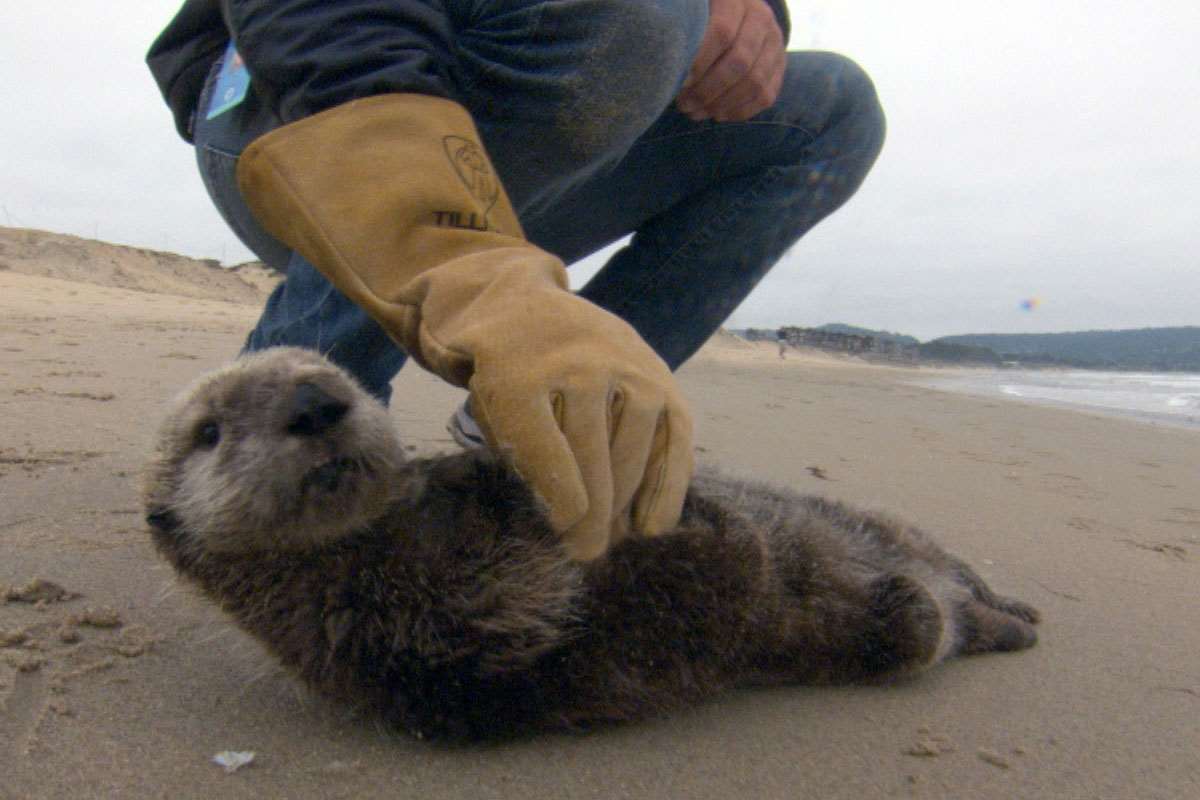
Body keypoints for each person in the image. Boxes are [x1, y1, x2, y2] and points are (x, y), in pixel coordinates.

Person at [147, 0, 885, 561]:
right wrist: (463, 270)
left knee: (835, 109)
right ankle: (274, 434)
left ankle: (553, 415)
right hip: (292, 87)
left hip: (547, 136)